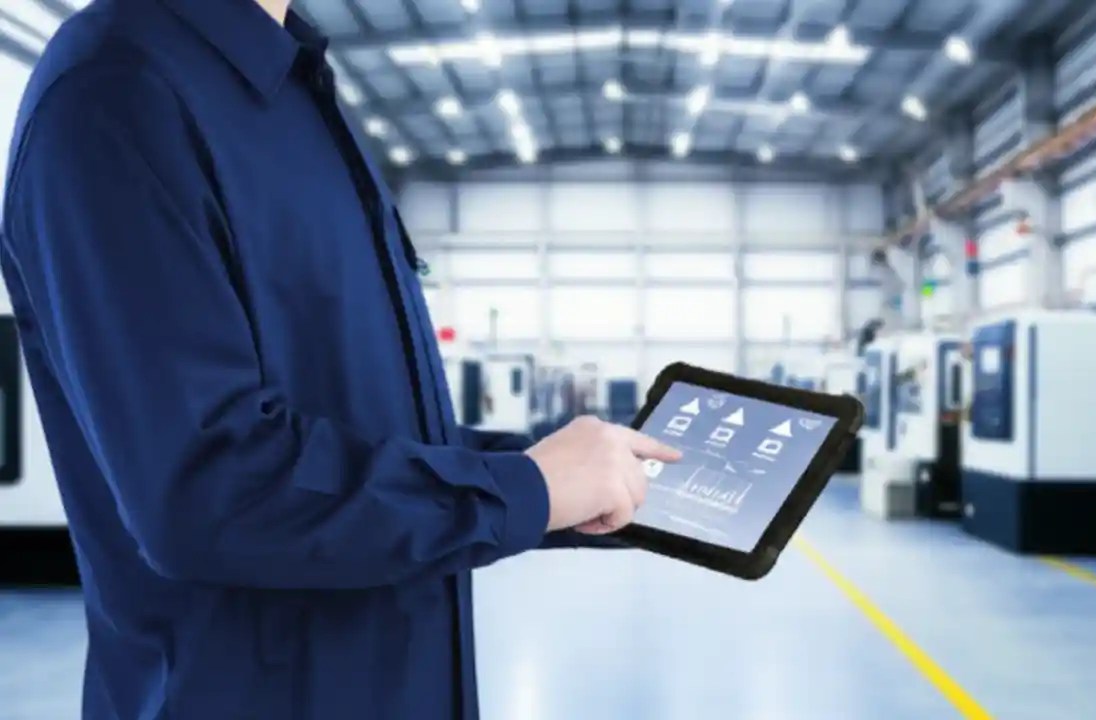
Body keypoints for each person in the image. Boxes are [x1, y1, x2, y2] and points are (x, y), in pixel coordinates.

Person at [0, 0, 680, 717]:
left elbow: (367, 431)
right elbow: (210, 489)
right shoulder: (118, 92)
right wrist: (519, 490)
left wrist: (565, 483)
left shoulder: (296, 96)